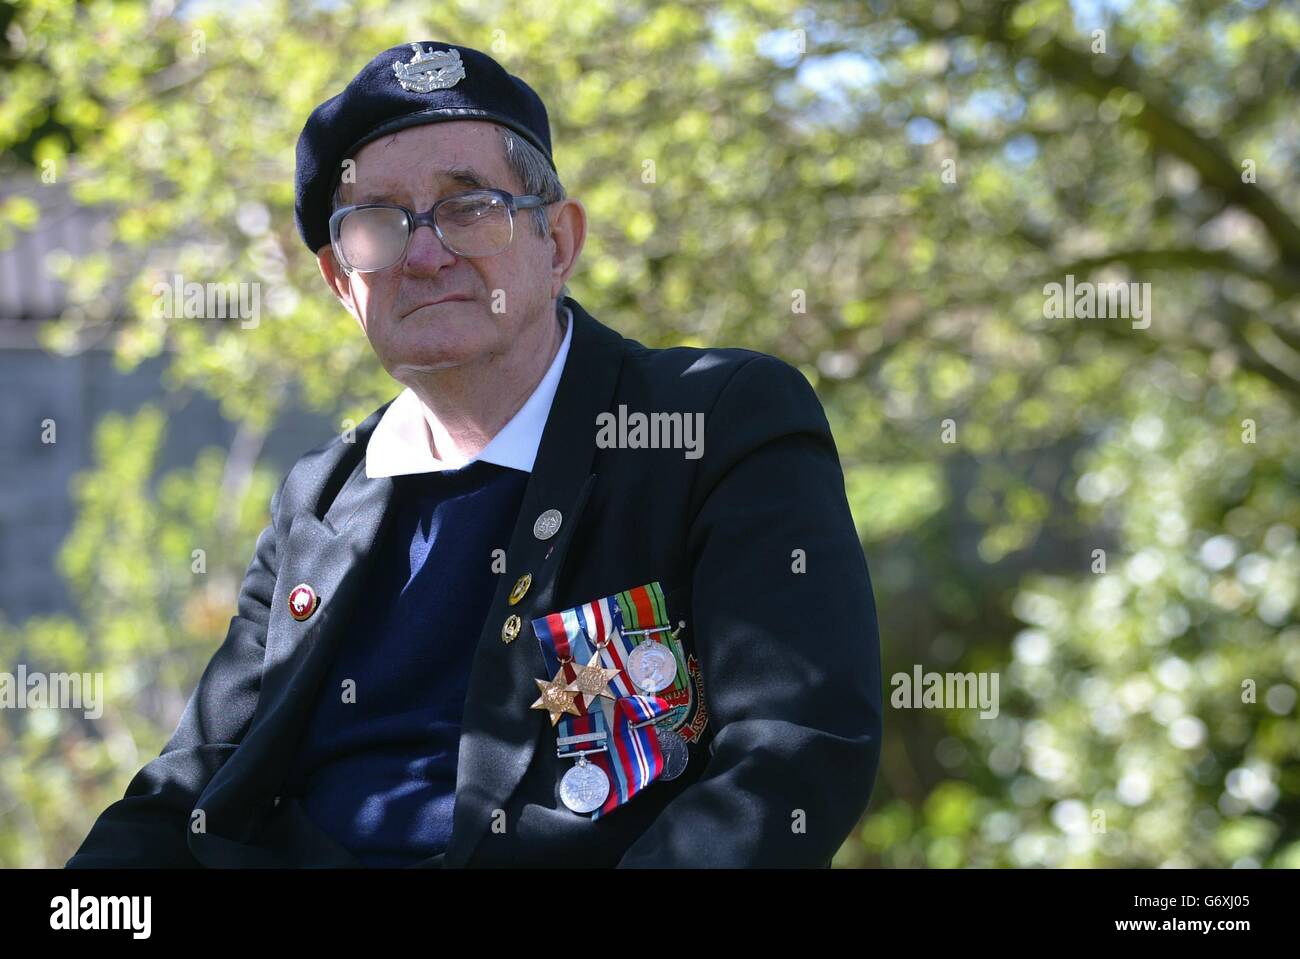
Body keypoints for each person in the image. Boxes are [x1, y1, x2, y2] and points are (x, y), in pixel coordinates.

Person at [67, 40, 882, 869]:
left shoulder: (712, 421)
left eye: (469, 206)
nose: (424, 254)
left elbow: (795, 749)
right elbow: (185, 784)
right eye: (376, 223)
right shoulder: (321, 495)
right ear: (342, 282)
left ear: (557, 242)